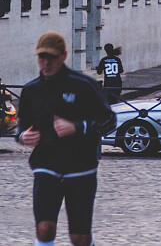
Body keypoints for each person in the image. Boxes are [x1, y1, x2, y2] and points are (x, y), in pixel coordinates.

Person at [19, 32, 116, 246]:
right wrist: (23, 136)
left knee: (79, 237)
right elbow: (22, 126)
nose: (46, 63)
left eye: (51, 57)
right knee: (45, 228)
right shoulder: (30, 90)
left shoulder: (84, 85)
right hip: (46, 164)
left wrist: (78, 127)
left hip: (81, 166)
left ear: (63, 56)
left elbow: (109, 120)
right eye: (42, 57)